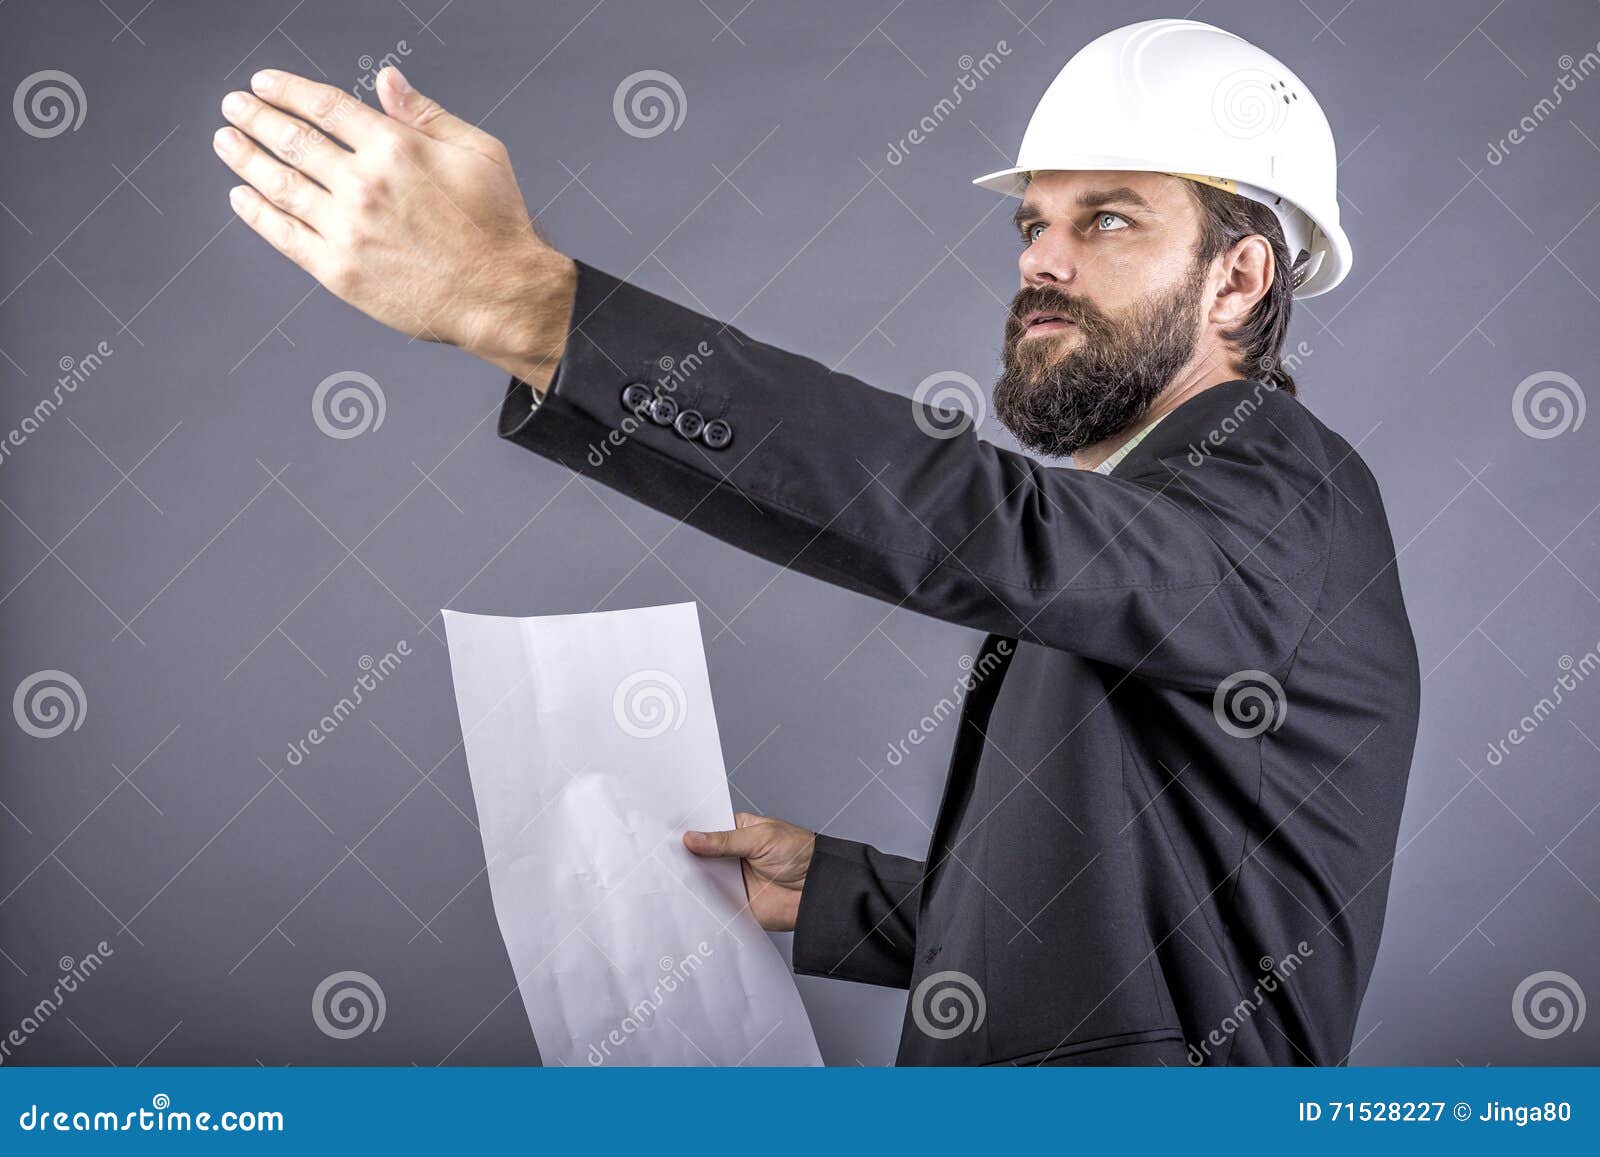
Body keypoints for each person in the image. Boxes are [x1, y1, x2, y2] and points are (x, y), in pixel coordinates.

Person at [212, 19, 1419, 1066]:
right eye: (1035, 222)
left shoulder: (1281, 500)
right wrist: (841, 891)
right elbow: (1150, 931)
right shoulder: (1169, 514)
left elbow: (975, 519)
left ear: (1238, 277)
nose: (1041, 258)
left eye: (1106, 220)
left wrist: (538, 309)